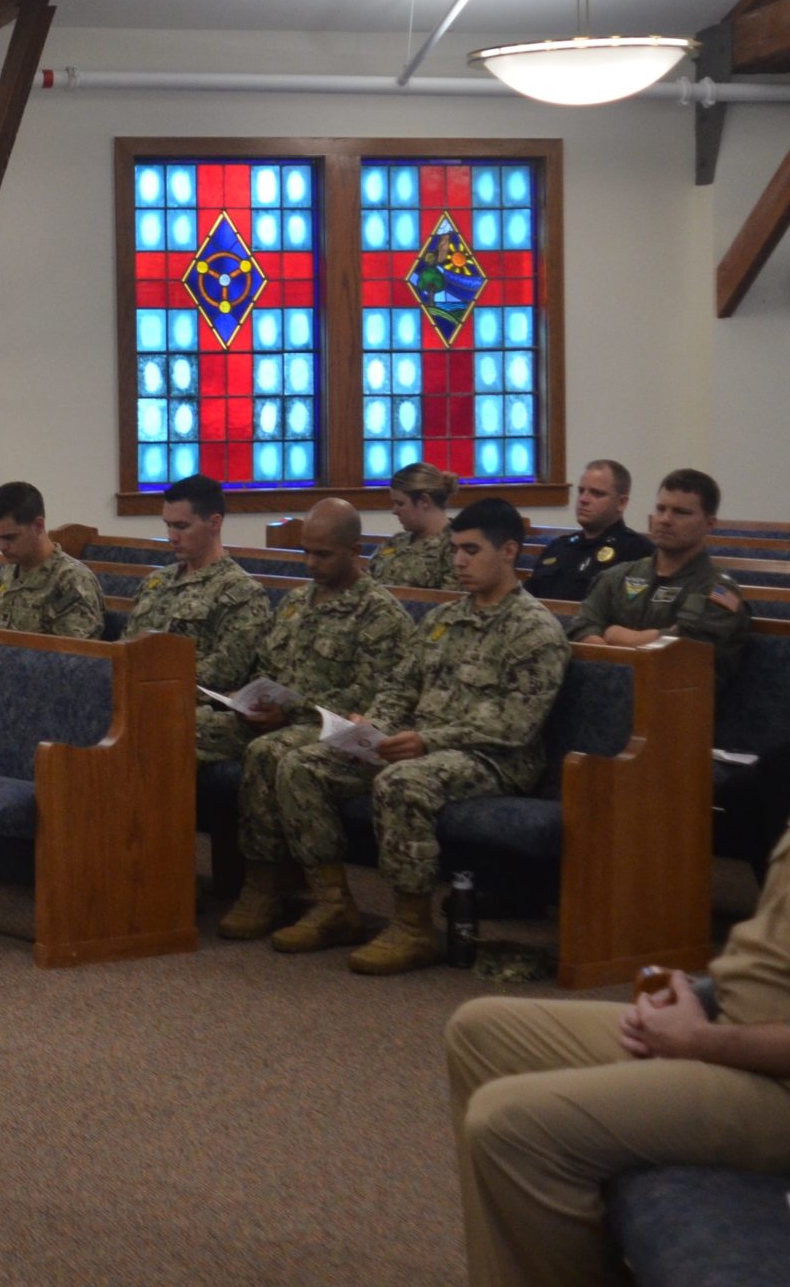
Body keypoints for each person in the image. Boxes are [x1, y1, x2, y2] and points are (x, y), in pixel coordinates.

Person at [445, 820, 790, 1287]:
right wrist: (697, 993)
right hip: (731, 1030)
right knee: (480, 1031)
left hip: (771, 1085)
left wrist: (699, 1041)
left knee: (508, 1124)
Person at [262, 497, 570, 975]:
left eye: (471, 551)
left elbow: (512, 724)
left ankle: (413, 926)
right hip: (420, 744)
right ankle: (334, 905)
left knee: (403, 782)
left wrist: (428, 740)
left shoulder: (534, 630)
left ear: (509, 551)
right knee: (303, 765)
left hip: (493, 760)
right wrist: (374, 725)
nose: (460, 563)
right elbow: (400, 685)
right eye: (455, 552)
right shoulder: (445, 619)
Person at [215, 498, 420, 938]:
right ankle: (259, 885)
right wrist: (250, 697)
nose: (311, 563)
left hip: (336, 727)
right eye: (306, 552)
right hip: (285, 718)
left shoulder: (379, 614)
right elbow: (267, 664)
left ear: (354, 550)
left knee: (269, 753)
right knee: (196, 728)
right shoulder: (295, 604)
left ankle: (317, 898)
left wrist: (288, 710)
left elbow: (372, 695)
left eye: (322, 554)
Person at [567, 467, 750, 680]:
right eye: (661, 509)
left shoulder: (718, 589)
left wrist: (613, 634)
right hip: (608, 693)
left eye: (681, 512)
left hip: (680, 704)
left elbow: (682, 645)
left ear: (709, 524)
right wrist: (622, 662)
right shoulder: (619, 575)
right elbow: (580, 627)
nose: (665, 519)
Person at [122, 474, 271, 694]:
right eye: (168, 526)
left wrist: (155, 677)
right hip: (138, 691)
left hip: (193, 703)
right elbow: (128, 643)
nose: (172, 536)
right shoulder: (156, 581)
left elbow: (228, 671)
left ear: (214, 523)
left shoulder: (240, 591)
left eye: (182, 526)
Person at [0, 481, 103, 640]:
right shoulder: (8, 571)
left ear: (38, 526)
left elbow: (74, 657)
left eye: (10, 537)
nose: (2, 547)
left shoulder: (72, 580)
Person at [524, 458, 654, 602]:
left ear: (621, 503)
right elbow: (529, 599)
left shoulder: (637, 552)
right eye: (581, 491)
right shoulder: (558, 547)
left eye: (597, 494)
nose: (583, 499)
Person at [371, 461, 460, 590]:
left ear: (424, 501)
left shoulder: (456, 546)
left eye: (400, 504)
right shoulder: (396, 541)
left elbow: (451, 602)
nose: (394, 511)